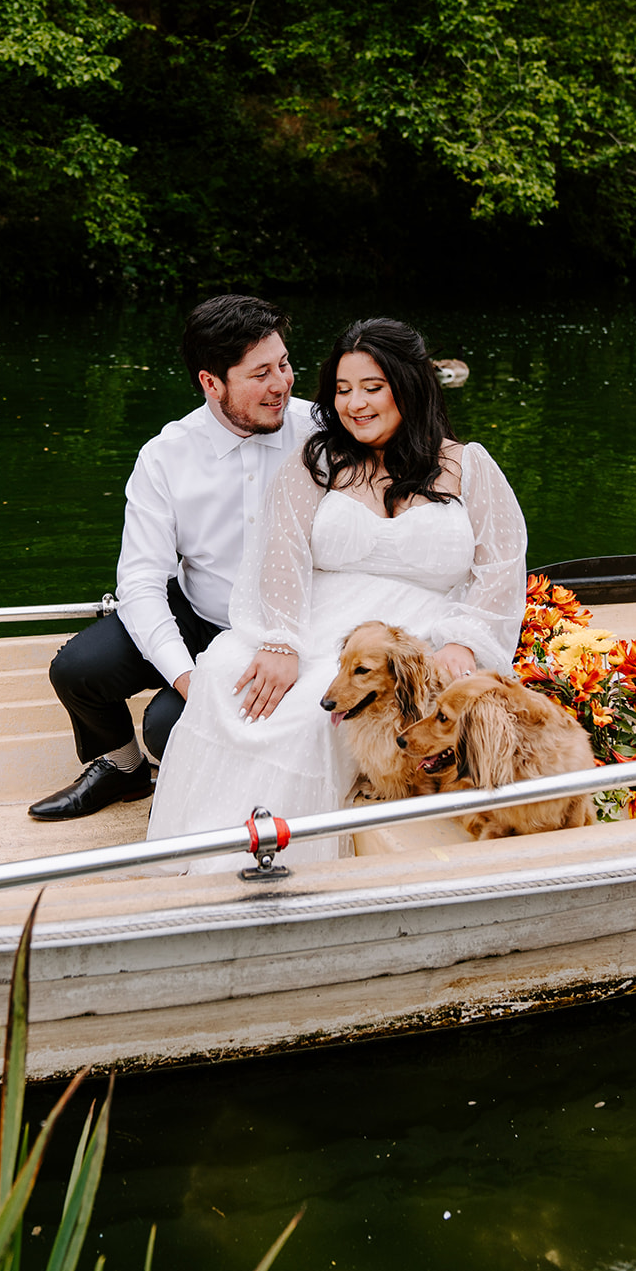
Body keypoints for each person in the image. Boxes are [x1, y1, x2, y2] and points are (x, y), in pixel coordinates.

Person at [145, 317, 528, 870]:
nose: (356, 405)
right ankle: (220, 853)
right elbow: (282, 554)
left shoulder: (468, 467)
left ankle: (301, 862)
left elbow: (501, 567)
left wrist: (463, 640)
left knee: (312, 715)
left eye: (373, 388)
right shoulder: (317, 462)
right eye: (343, 391)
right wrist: (280, 640)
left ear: (409, 385)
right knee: (232, 674)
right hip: (315, 622)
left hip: (412, 635)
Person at [28, 294, 315, 821]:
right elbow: (139, 581)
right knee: (76, 670)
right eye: (261, 374)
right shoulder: (166, 455)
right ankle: (122, 768)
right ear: (212, 383)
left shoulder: (321, 431)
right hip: (200, 609)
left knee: (167, 726)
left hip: (282, 624)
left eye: (284, 364)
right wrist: (187, 676)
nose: (282, 384)